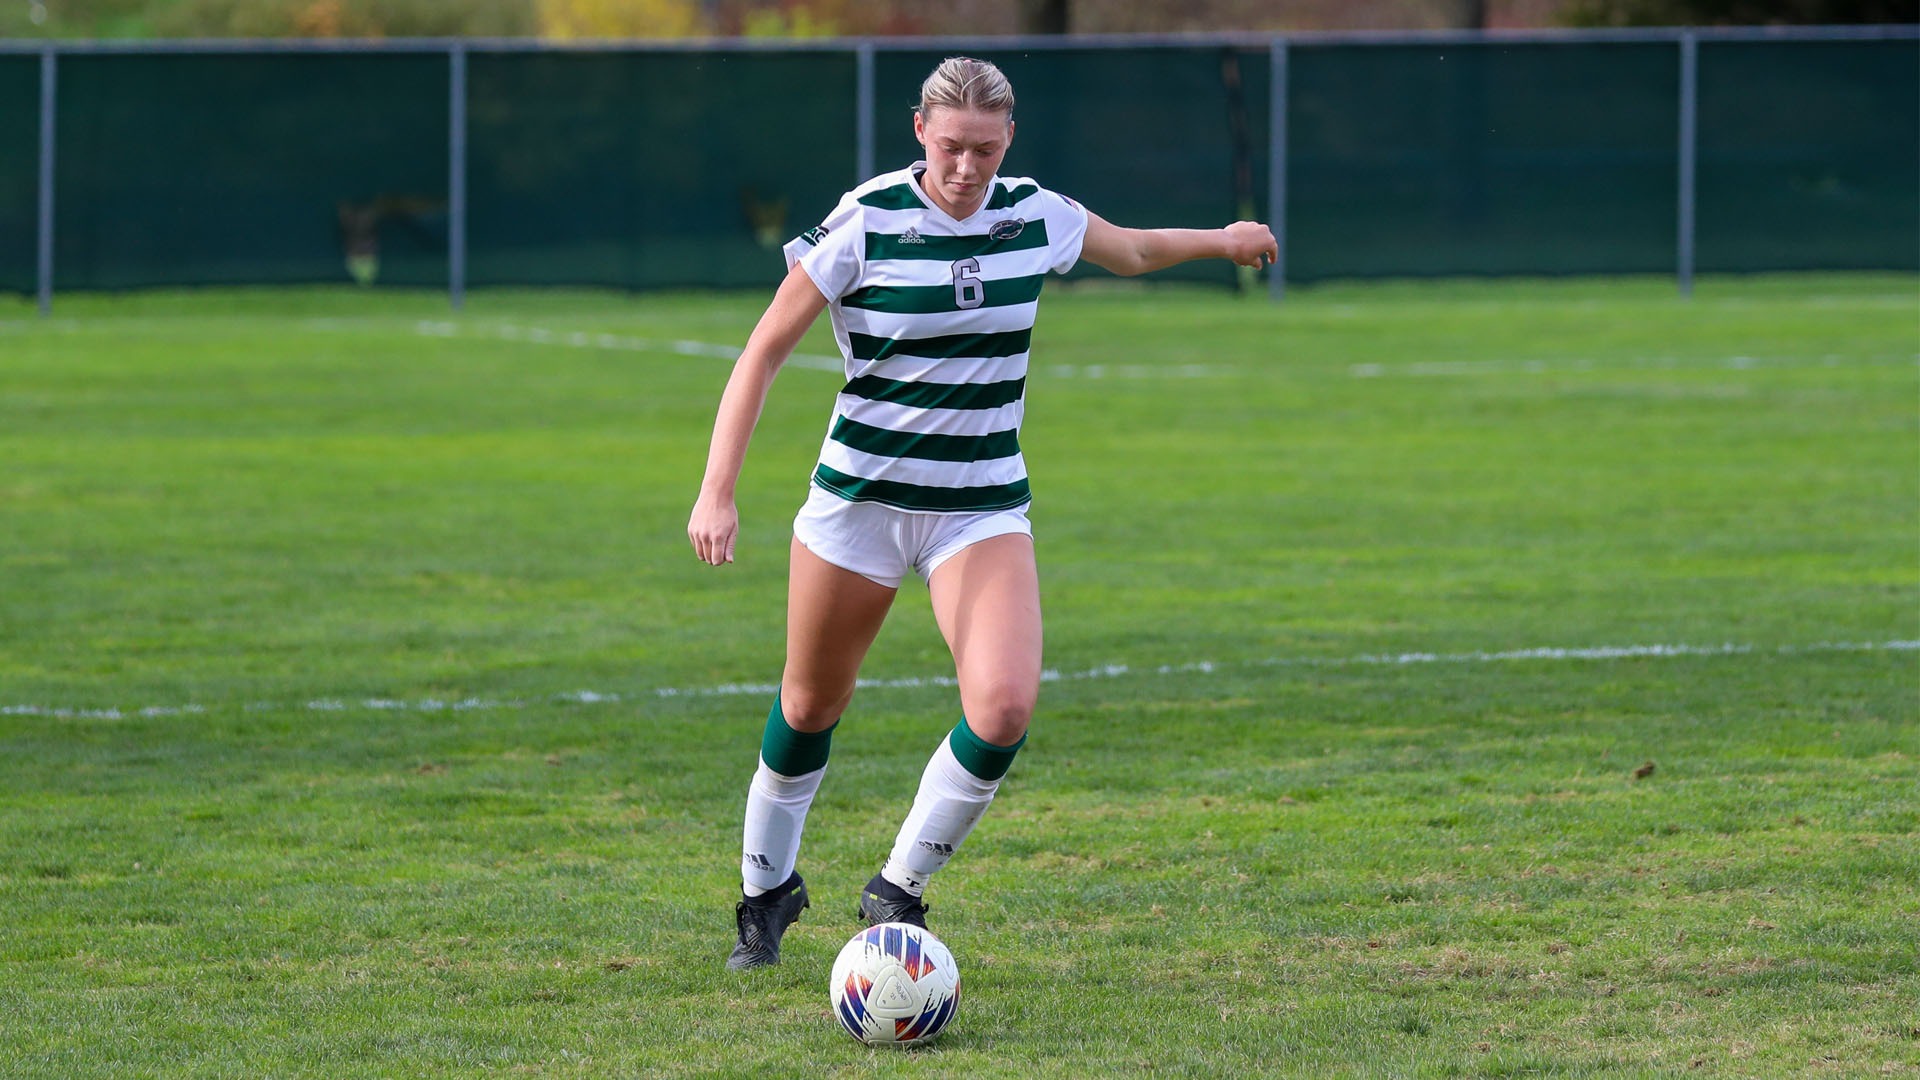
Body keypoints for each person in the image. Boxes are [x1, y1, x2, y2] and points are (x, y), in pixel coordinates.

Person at [688, 56, 1278, 972]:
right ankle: (766, 895)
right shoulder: (867, 219)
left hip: (979, 508)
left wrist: (1223, 239)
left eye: (986, 151)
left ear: (1010, 140)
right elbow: (763, 350)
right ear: (920, 131)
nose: (967, 168)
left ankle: (898, 889)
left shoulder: (1033, 213)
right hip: (861, 504)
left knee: (1002, 708)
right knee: (809, 704)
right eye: (953, 147)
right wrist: (717, 489)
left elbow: (1131, 250)